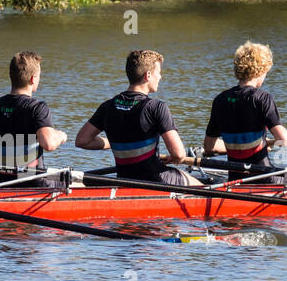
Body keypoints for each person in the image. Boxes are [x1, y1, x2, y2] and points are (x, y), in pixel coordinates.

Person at [74, 49, 202, 185]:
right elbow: (179, 154)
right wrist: (176, 158)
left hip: (124, 180)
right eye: (159, 72)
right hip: (156, 180)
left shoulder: (107, 106)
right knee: (203, 188)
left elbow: (82, 141)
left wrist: (116, 143)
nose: (160, 77)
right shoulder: (156, 107)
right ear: (148, 75)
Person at [202, 41, 287, 178]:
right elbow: (283, 140)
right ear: (262, 70)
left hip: (235, 178)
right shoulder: (263, 98)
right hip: (263, 177)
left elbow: (210, 147)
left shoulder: (220, 100)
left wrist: (264, 143)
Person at [0, 51, 68, 187]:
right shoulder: (38, 108)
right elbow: (48, 144)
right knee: (80, 185)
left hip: (4, 183)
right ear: (33, 79)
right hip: (35, 183)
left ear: (11, 76)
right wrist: (60, 136)